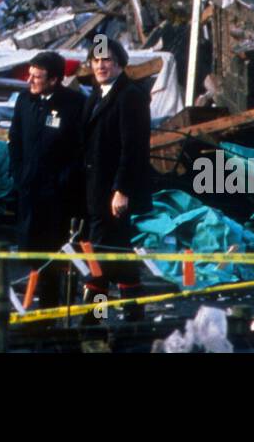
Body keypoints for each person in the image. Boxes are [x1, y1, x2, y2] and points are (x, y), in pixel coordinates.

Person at [80, 36, 152, 321]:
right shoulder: (98, 94)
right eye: (96, 60)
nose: (100, 65)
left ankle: (95, 316)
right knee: (116, 252)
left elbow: (132, 147)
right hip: (96, 189)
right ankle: (133, 312)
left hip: (113, 192)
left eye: (106, 60)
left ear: (120, 63)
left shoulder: (130, 96)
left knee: (102, 253)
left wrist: (122, 189)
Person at [9, 51, 85, 308]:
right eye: (29, 75)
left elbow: (81, 149)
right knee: (32, 249)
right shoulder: (24, 101)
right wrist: (19, 174)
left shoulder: (74, 104)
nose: (30, 81)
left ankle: (55, 304)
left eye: (37, 77)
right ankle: (37, 299)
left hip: (58, 195)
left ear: (54, 80)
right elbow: (15, 140)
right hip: (30, 190)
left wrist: (64, 180)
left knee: (57, 252)